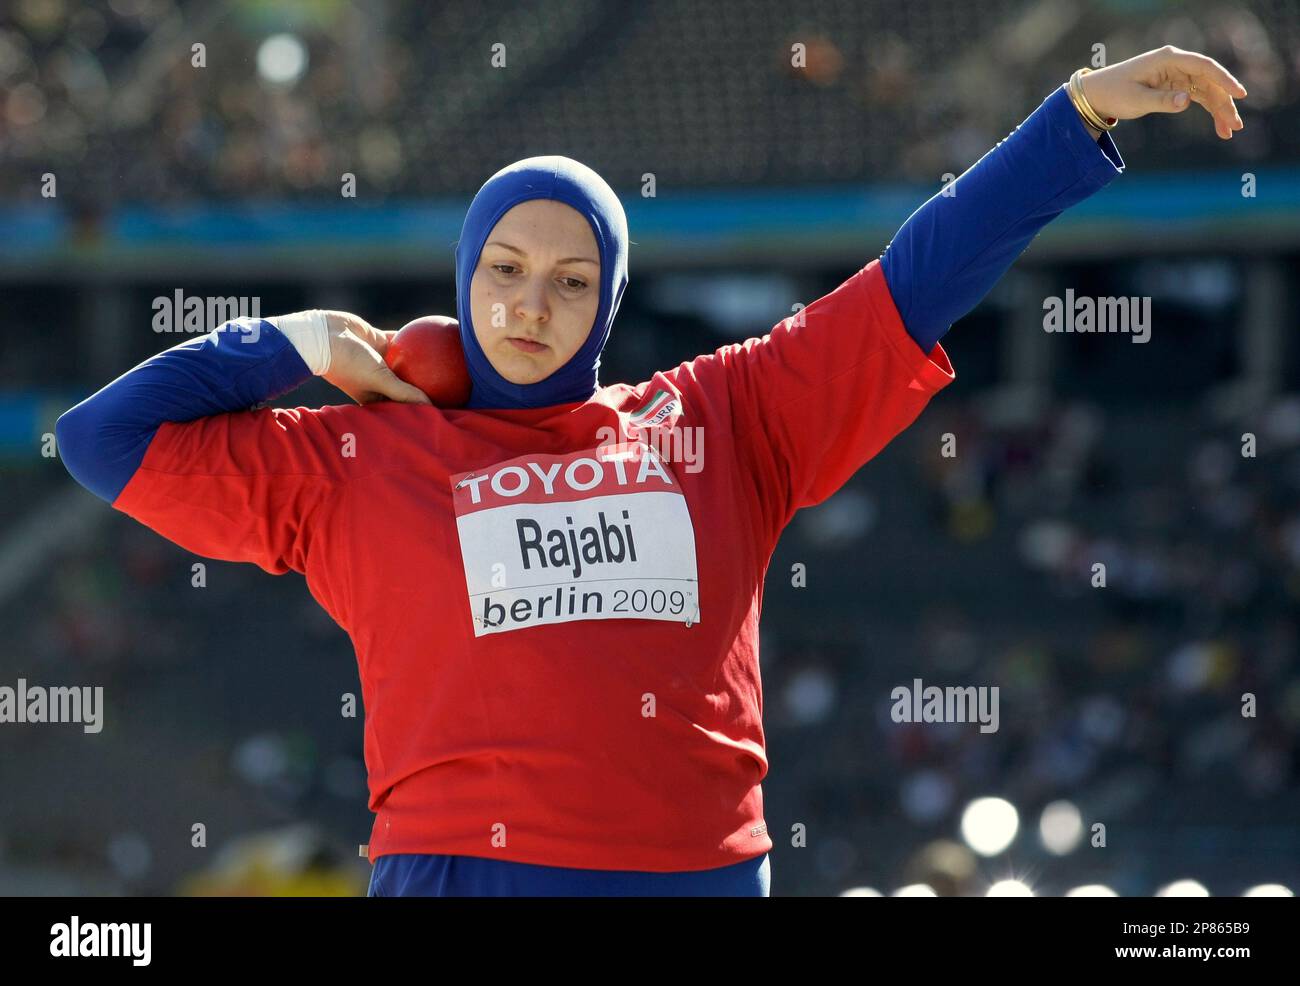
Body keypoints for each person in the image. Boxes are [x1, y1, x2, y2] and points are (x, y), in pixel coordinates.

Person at [55, 46, 1245, 896]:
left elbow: (913, 281)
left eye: (570, 281)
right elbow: (104, 438)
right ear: (465, 274)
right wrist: (302, 341)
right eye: (505, 268)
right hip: (464, 868)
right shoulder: (364, 452)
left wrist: (1074, 116)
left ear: (609, 302)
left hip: (695, 874)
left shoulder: (721, 417)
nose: (529, 304)